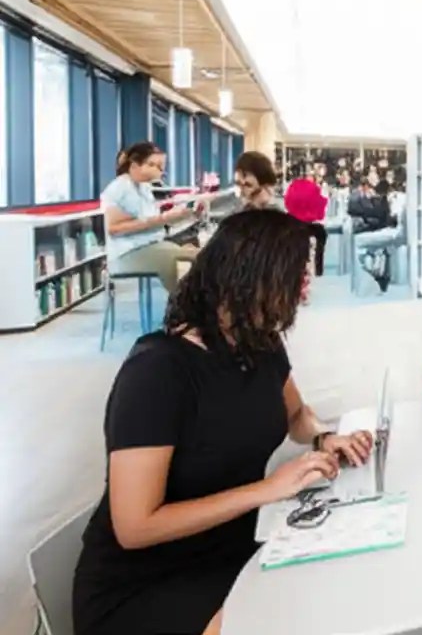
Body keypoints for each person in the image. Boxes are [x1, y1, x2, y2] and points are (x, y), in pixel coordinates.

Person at [72, 210, 374, 635]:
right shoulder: (159, 371)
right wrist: (267, 490)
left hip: (232, 550)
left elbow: (296, 416)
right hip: (144, 585)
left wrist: (325, 437)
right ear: (250, 277)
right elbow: (134, 526)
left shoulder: (262, 343)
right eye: (296, 276)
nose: (305, 291)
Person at [101, 142, 202, 294]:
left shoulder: (145, 188)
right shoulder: (119, 188)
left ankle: (195, 305)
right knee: (181, 261)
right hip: (127, 253)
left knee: (198, 254)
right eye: (153, 165)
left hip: (149, 246)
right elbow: (114, 228)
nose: (159, 171)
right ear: (134, 166)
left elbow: (152, 220)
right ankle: (183, 308)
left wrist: (188, 214)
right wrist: (162, 219)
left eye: (161, 167)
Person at [284, 167, 330, 277]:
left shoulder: (293, 187)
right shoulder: (315, 189)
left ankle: (293, 265)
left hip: (294, 224)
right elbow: (320, 212)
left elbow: (287, 203)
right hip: (310, 225)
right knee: (322, 235)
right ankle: (319, 269)